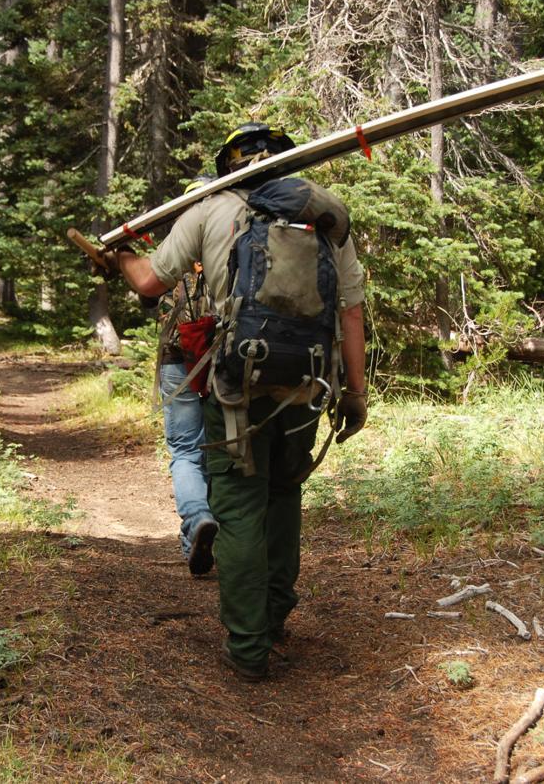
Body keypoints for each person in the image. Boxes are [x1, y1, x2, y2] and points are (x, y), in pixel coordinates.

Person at [109, 123, 369, 680]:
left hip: (236, 388)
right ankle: (274, 619)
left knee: (241, 504)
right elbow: (350, 311)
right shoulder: (326, 216)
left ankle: (249, 647)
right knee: (283, 496)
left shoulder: (209, 211)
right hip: (306, 385)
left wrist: (121, 258)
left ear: (229, 165)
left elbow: (151, 283)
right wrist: (356, 392)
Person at [156, 177, 218, 576]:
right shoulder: (231, 243)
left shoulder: (174, 247)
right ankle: (220, 535)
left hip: (177, 356)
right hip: (220, 358)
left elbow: (149, 293)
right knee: (219, 447)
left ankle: (196, 523)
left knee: (184, 449)